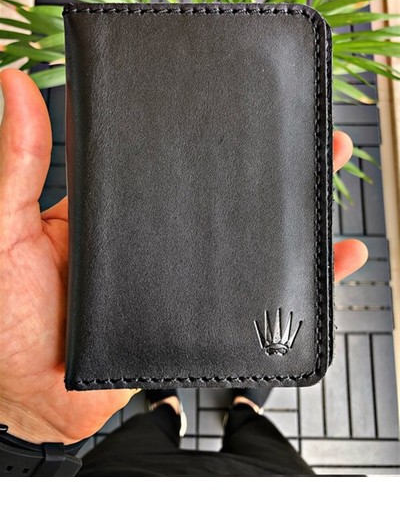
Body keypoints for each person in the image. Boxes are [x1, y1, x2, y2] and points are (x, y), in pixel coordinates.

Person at [0, 69, 368, 476]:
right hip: (268, 481)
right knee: (258, 436)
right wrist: (24, 419)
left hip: (127, 476)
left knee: (147, 429)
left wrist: (23, 430)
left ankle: (166, 406)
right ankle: (243, 409)